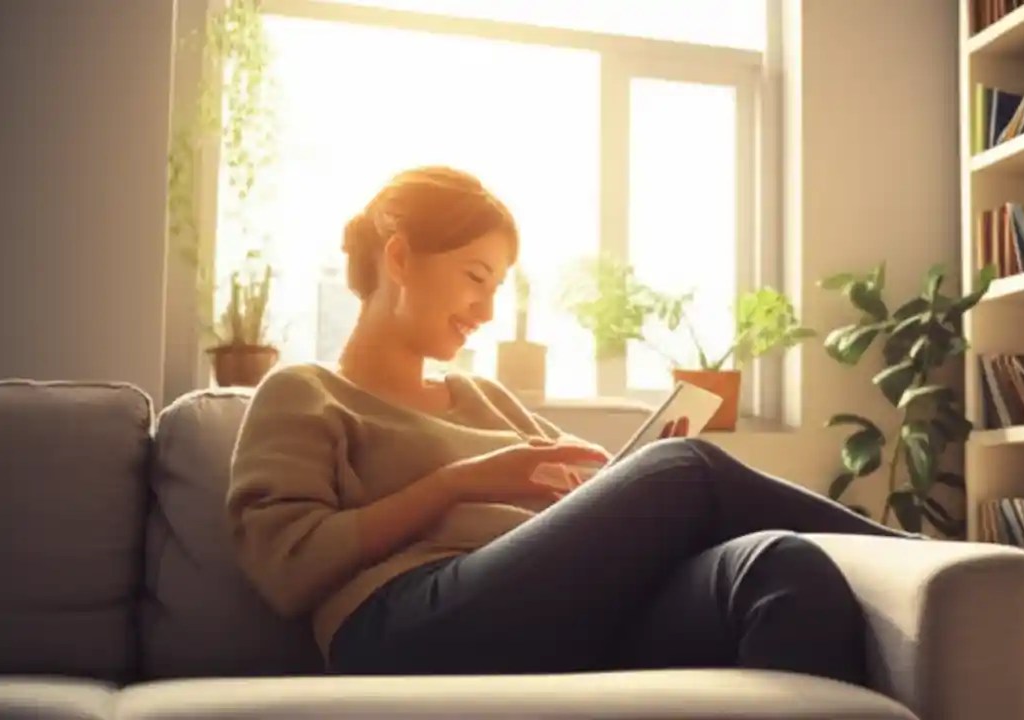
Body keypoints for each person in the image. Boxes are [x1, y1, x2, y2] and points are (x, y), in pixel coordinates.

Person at [226, 166, 917, 687]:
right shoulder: (305, 393)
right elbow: (287, 568)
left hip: (553, 614)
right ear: (399, 258)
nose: (485, 310)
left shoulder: (485, 396)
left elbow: (572, 508)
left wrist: (615, 487)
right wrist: (455, 485)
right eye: (475, 276)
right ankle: (918, 557)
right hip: (396, 626)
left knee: (783, 570)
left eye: (497, 287)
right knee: (687, 473)